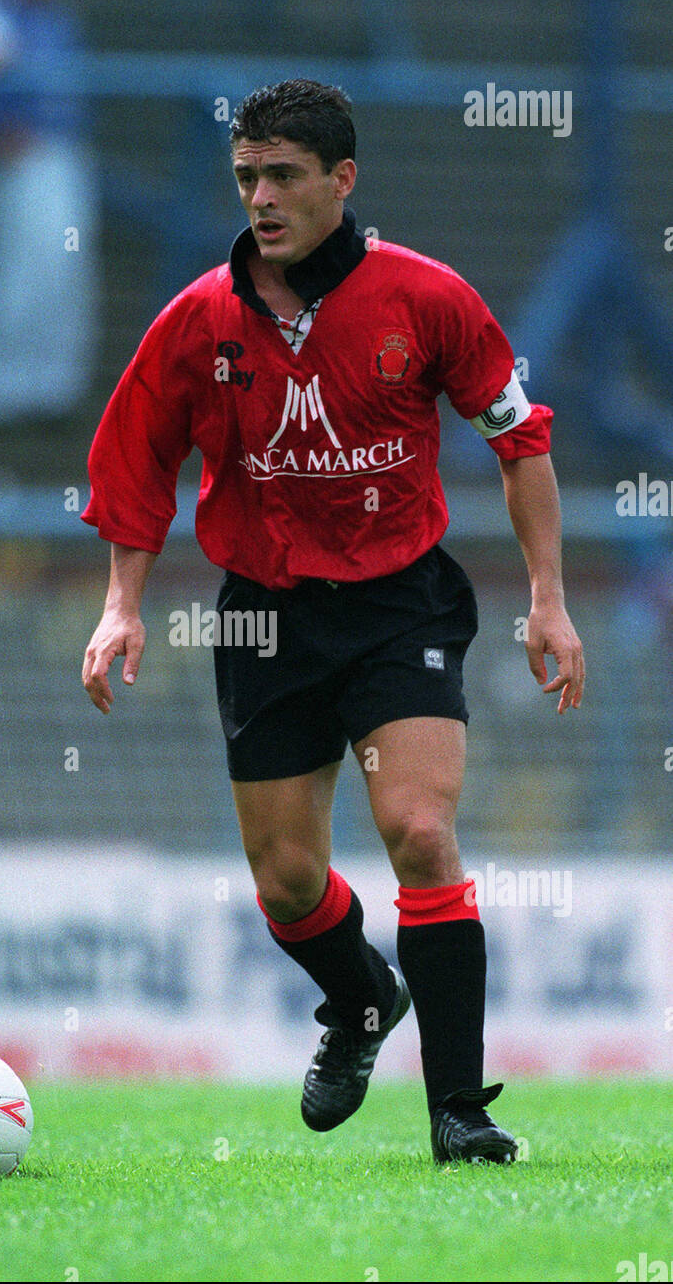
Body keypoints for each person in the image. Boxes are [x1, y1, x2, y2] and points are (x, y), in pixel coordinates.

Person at [81, 79, 585, 1163]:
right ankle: (361, 1002)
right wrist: (120, 606)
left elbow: (519, 438)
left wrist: (546, 598)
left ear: (341, 180)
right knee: (288, 881)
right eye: (245, 177)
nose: (260, 197)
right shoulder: (196, 321)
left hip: (400, 605)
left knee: (418, 830)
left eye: (282, 176)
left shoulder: (428, 298)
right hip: (264, 617)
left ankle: (459, 1111)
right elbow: (135, 465)